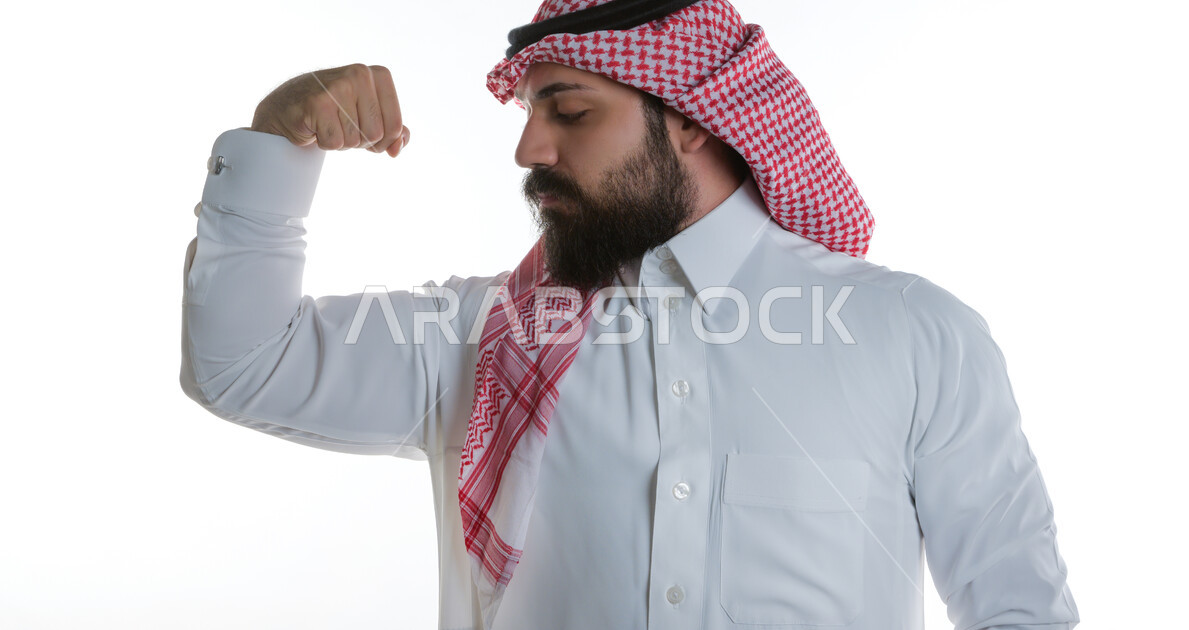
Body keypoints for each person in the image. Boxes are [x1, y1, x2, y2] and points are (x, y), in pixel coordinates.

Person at [179, 0, 1080, 628]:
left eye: (569, 112)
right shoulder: (484, 339)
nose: (531, 148)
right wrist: (277, 142)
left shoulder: (917, 337)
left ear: (692, 119)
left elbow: (1018, 610)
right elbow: (244, 363)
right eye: (534, 111)